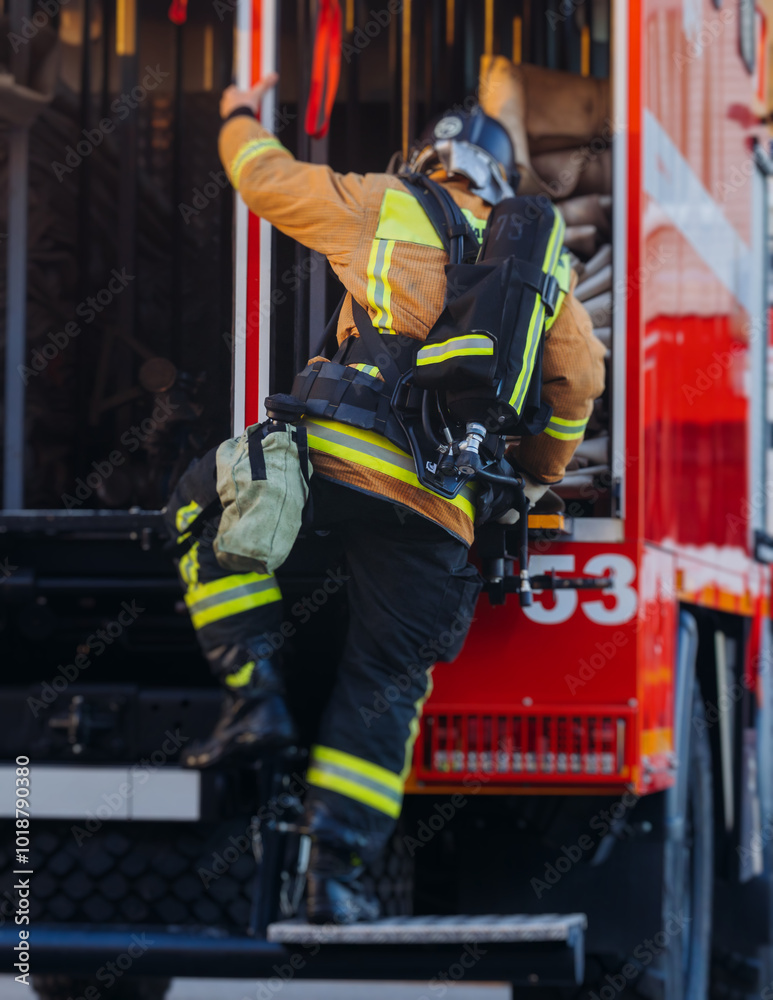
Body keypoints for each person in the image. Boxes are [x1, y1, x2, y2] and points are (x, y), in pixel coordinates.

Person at [169, 73, 605, 925]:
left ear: (429, 160)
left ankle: (253, 697)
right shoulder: (535, 261)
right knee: (386, 683)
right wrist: (534, 479)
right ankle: (333, 882)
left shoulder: (382, 201)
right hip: (439, 510)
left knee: (202, 504)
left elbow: (260, 176)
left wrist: (232, 113)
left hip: (330, 468)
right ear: (496, 177)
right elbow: (578, 385)